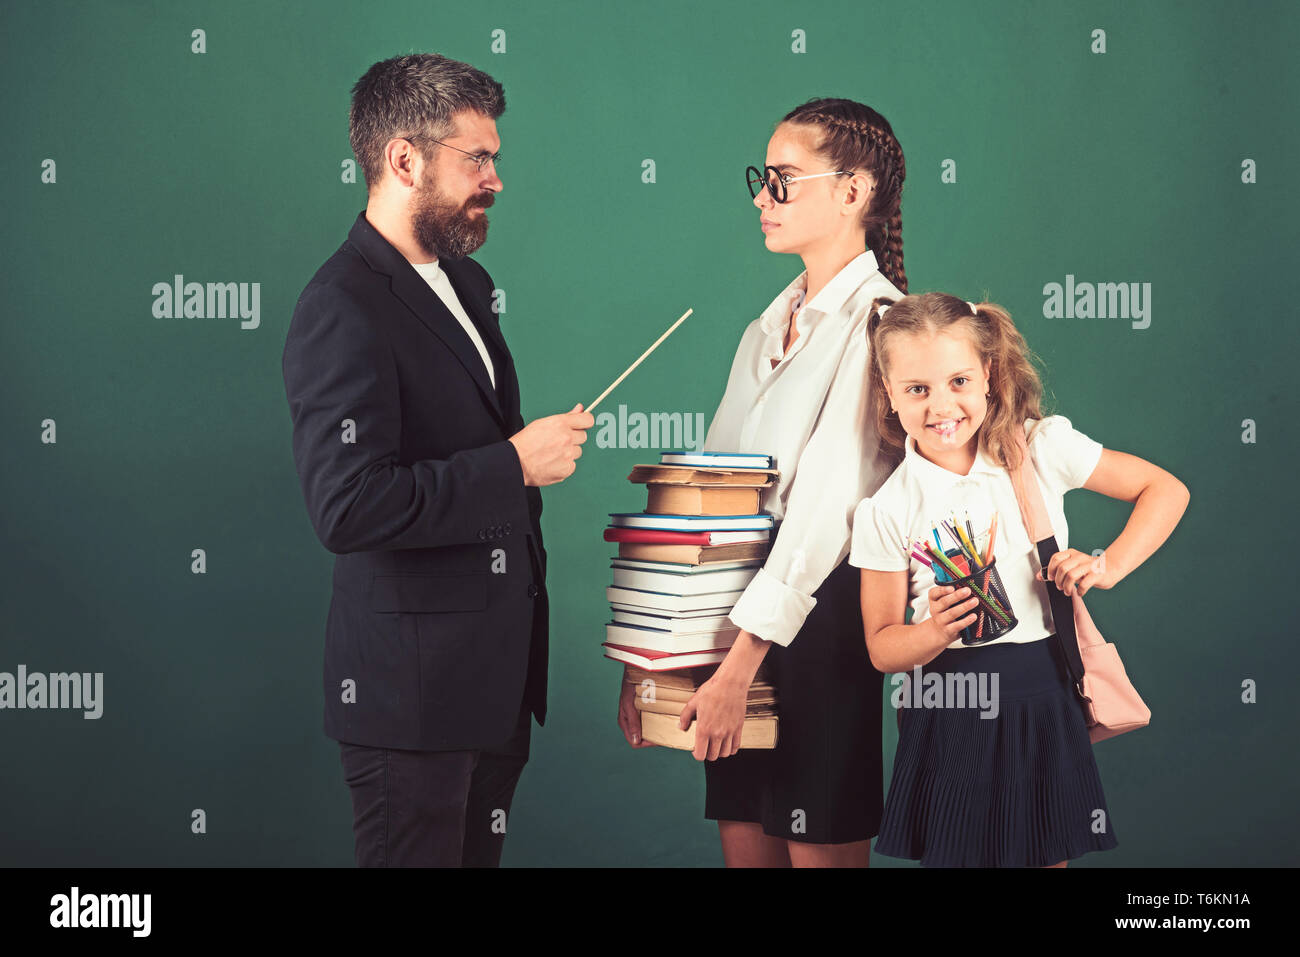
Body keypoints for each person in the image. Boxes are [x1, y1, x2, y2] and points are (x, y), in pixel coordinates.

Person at [281, 53, 593, 867]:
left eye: (496, 157)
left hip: (491, 691)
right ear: (405, 160)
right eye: (477, 159)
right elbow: (346, 507)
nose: (495, 178)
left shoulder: (468, 279)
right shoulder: (341, 305)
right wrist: (513, 465)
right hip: (409, 704)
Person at [618, 98, 908, 867]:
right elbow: (706, 497)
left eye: (781, 180)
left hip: (817, 624)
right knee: (747, 850)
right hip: (729, 617)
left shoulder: (883, 323)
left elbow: (823, 513)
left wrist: (737, 668)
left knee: (814, 849)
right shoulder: (764, 326)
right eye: (761, 178)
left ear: (854, 192)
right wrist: (659, 657)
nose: (760, 197)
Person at [849, 291, 1189, 867]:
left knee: (1043, 854)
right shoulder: (886, 508)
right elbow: (882, 646)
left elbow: (1165, 490)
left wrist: (1106, 566)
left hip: (1042, 693)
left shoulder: (1038, 448)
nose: (941, 406)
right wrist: (933, 631)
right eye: (917, 390)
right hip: (946, 707)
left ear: (987, 374)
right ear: (889, 394)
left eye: (958, 381)